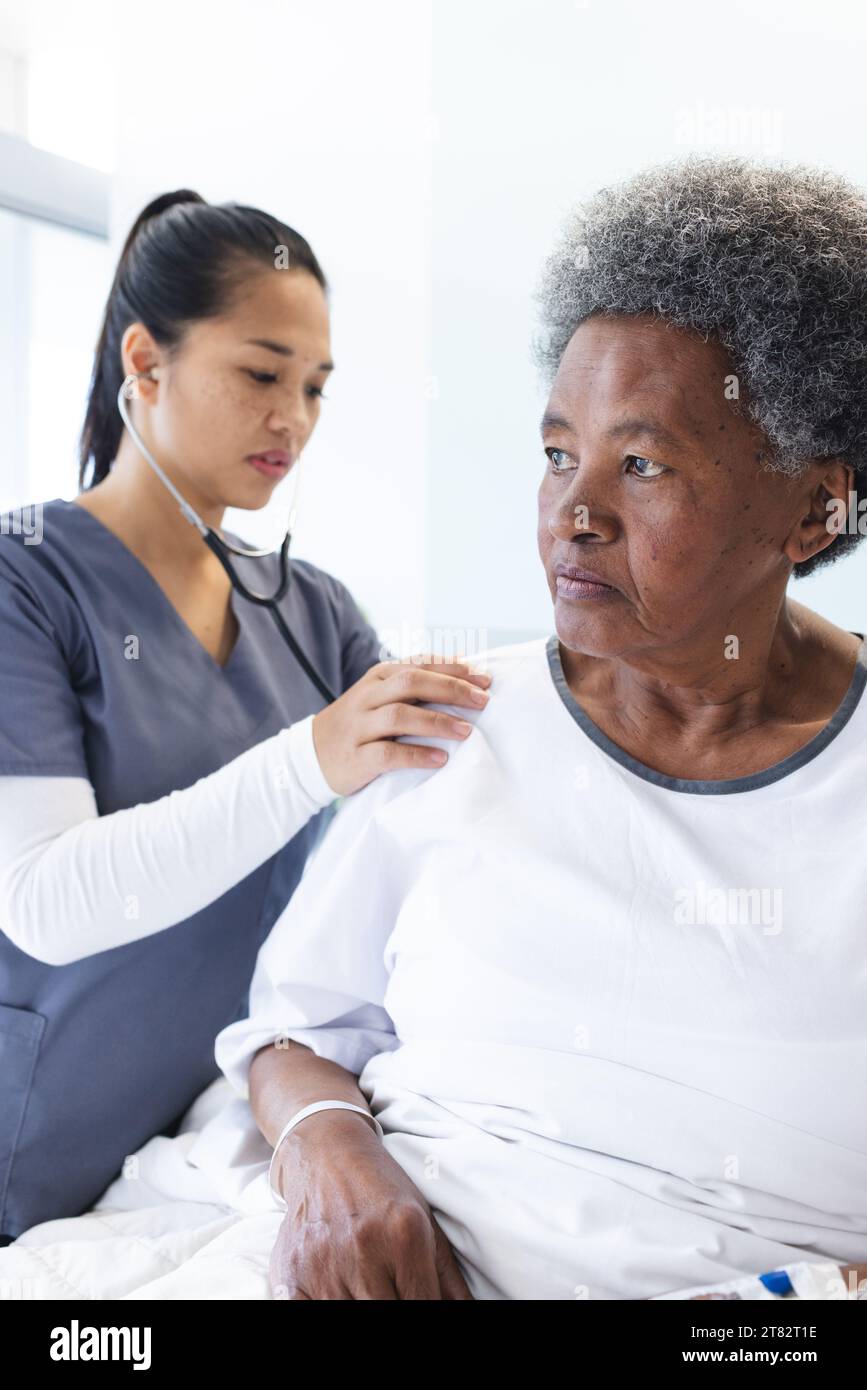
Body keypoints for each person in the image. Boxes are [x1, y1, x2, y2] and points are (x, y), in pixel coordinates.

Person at [207, 155, 867, 1299]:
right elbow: (293, 1029)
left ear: (815, 508)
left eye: (643, 462)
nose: (575, 513)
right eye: (559, 452)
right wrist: (332, 1151)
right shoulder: (451, 722)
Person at [0, 190, 491, 1243]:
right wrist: (311, 756)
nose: (296, 418)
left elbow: (425, 809)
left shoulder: (313, 612)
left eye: (314, 386)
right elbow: (41, 898)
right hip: (35, 1149)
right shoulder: (25, 578)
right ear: (146, 362)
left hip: (207, 1149)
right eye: (262, 373)